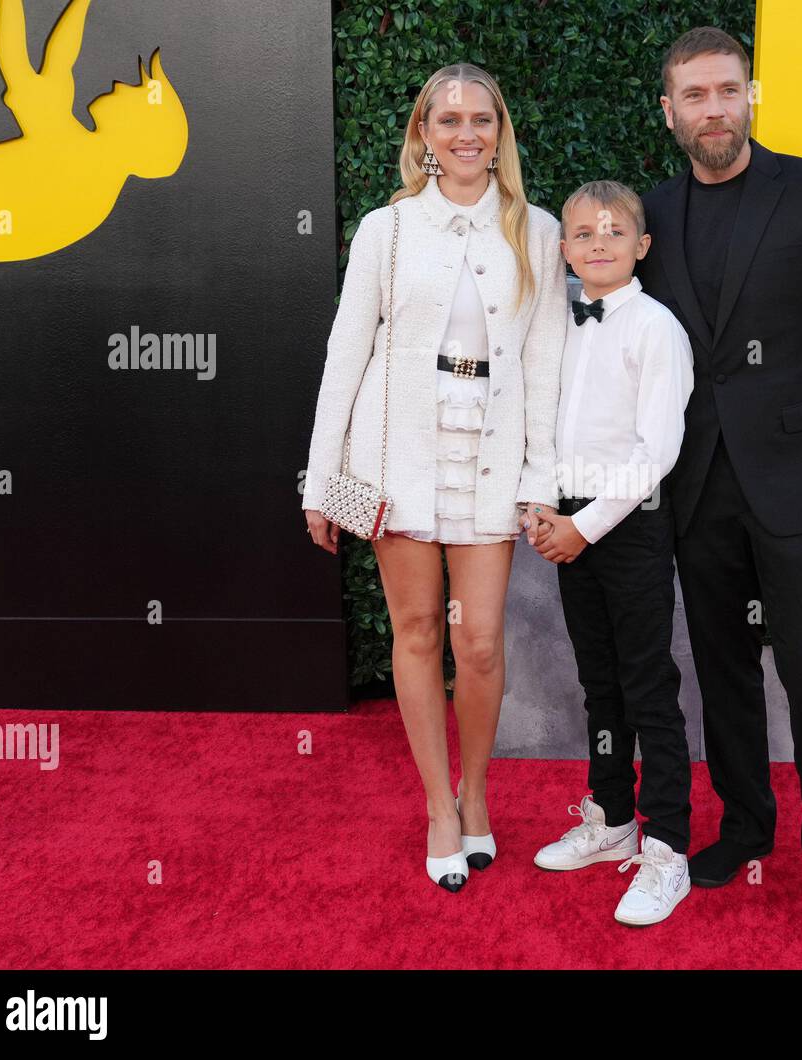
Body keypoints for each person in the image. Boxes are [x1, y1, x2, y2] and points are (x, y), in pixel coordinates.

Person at [634, 28, 802, 936]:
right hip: (698, 490)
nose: (715, 109)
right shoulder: (651, 214)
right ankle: (745, 827)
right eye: (695, 95)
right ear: (669, 111)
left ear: (752, 97)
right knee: (723, 672)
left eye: (728, 91)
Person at [301, 63, 566, 893]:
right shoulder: (385, 230)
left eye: (480, 120)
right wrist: (321, 479)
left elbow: (547, 361)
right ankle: (438, 810)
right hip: (399, 458)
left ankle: (477, 794)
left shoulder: (541, 231)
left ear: (500, 133)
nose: (464, 134)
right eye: (446, 120)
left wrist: (544, 480)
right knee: (416, 633)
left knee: (478, 641)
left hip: (490, 460)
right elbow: (346, 353)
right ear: (423, 134)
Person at [525, 180, 695, 926]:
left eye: (614, 232)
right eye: (584, 234)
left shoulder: (657, 327)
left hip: (625, 523)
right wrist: (538, 502)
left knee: (646, 684)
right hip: (565, 519)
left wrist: (585, 525)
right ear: (564, 249)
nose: (598, 243)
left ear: (641, 246)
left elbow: (656, 449)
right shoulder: (556, 317)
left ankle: (669, 849)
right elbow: (538, 411)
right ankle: (612, 819)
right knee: (599, 683)